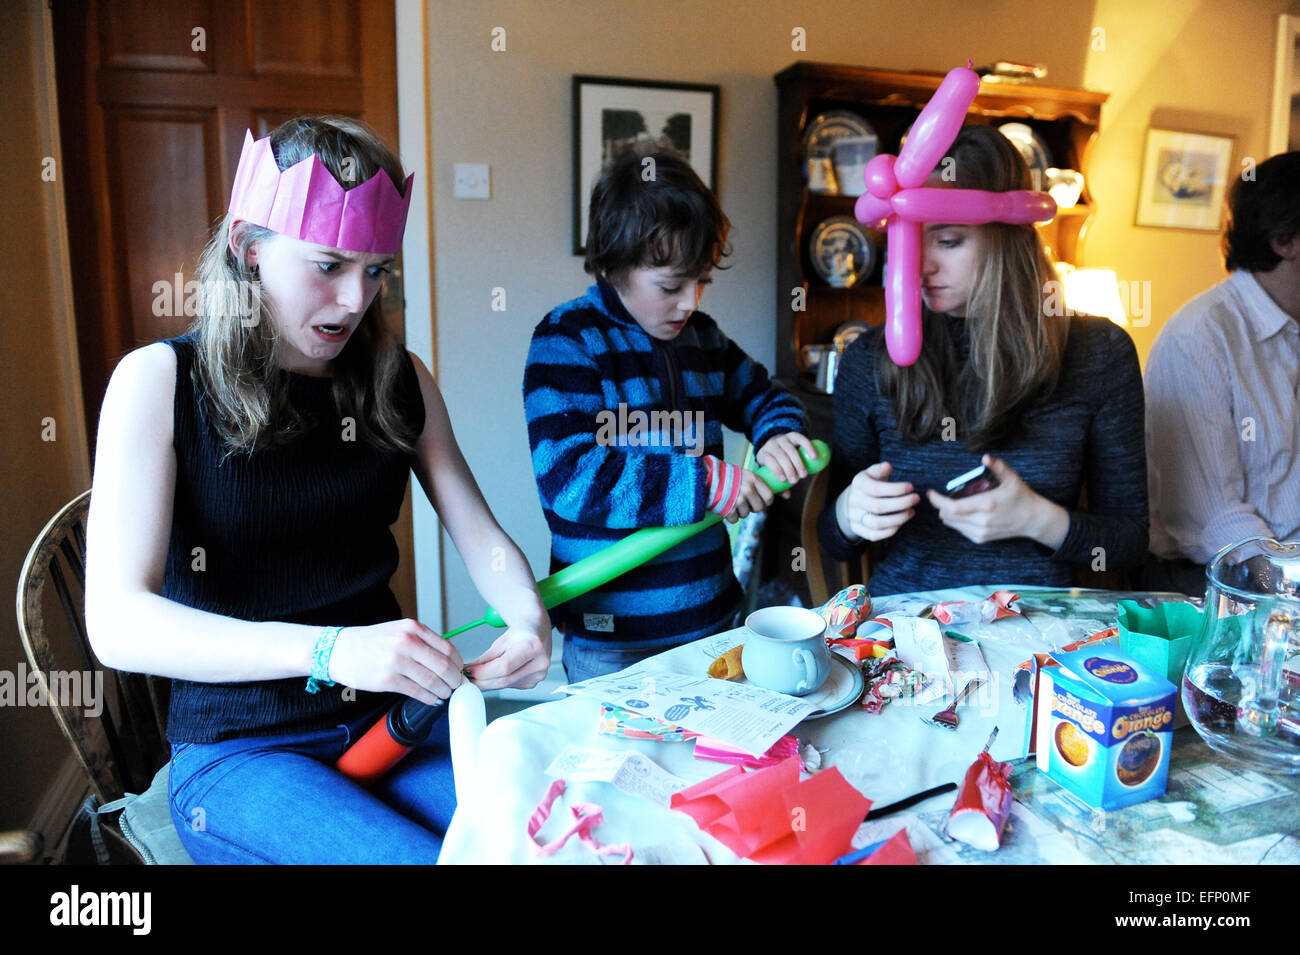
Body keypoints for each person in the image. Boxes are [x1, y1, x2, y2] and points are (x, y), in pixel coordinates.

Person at [84, 117, 551, 863]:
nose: (356, 298)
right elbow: (118, 623)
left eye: (376, 270)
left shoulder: (401, 379)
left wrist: (529, 620)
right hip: (241, 749)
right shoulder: (157, 382)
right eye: (329, 263)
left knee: (547, 841)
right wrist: (331, 650)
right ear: (248, 247)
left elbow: (480, 533)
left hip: (392, 721)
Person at [818, 125, 1148, 595]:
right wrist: (851, 514)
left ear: (1006, 238)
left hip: (1042, 627)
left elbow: (1129, 544)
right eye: (911, 239)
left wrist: (1038, 520)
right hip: (910, 624)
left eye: (948, 241)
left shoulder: (1099, 353)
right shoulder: (867, 359)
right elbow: (835, 543)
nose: (921, 265)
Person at [524, 148, 814, 683]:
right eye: (671, 286)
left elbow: (766, 396)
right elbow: (569, 480)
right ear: (613, 265)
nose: (690, 302)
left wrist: (777, 433)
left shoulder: (703, 338)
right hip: (610, 639)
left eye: (701, 281)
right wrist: (703, 483)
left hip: (712, 622)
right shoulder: (567, 341)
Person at [1144, 151, 1300, 595]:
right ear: (1285, 240)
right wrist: (1287, 596)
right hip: (1218, 585)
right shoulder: (1199, 338)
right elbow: (1216, 519)